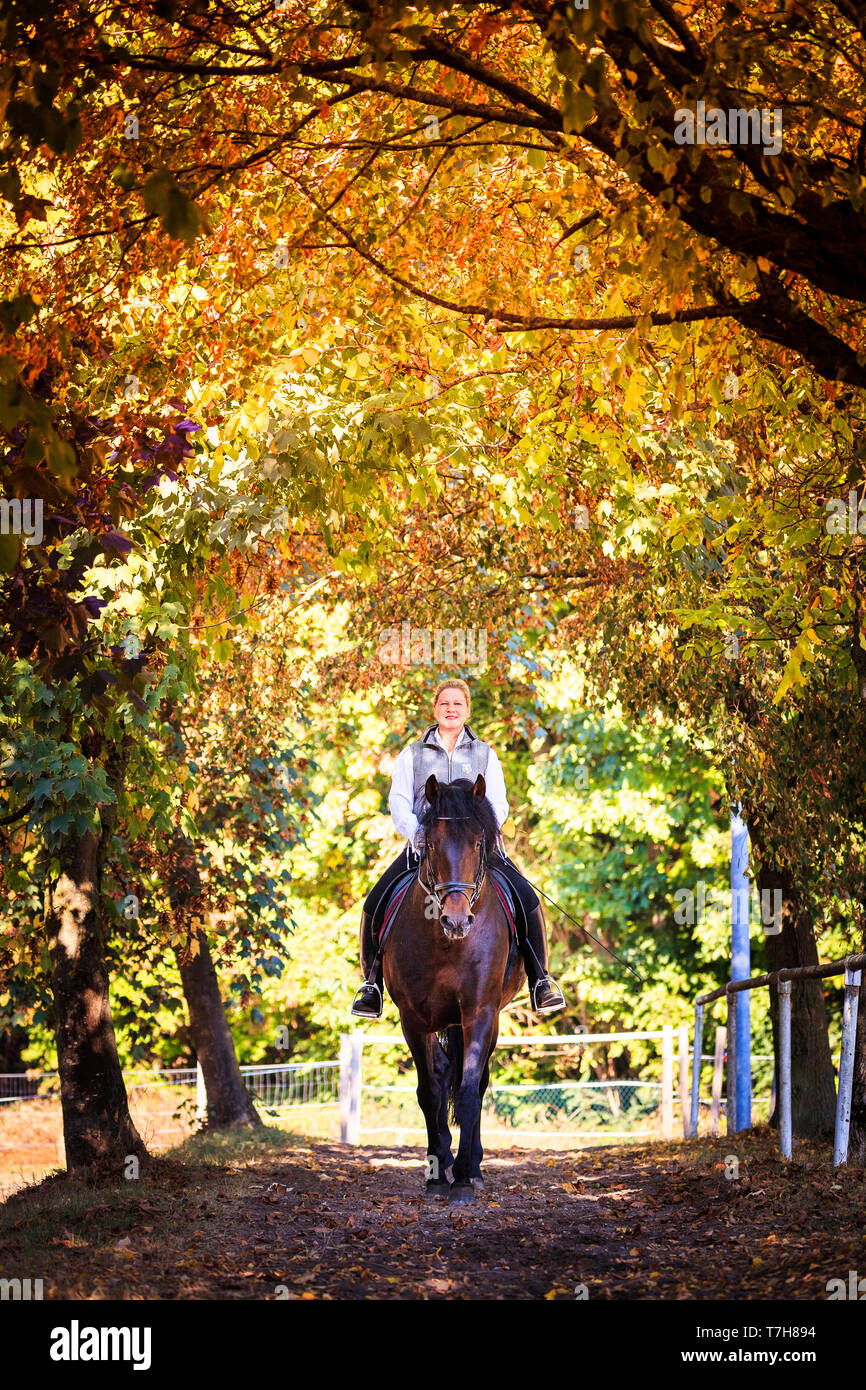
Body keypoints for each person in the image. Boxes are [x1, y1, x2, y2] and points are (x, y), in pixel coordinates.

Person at [351, 678, 566, 1018]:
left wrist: (482, 831)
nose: (451, 709)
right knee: (375, 899)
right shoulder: (413, 754)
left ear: (467, 710)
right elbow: (399, 801)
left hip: (477, 849)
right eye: (444, 704)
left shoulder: (484, 753)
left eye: (457, 704)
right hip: (427, 847)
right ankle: (372, 984)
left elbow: (499, 803)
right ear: (435, 709)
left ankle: (541, 980)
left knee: (527, 897)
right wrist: (416, 833)